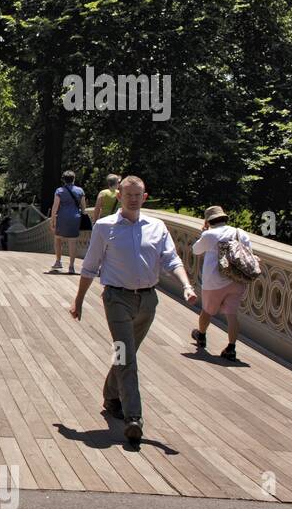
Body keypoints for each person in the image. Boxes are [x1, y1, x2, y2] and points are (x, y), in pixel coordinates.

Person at [70, 176, 198, 445]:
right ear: (118, 195)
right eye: (127, 194)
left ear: (145, 197)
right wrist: (79, 300)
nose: (132, 198)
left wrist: (186, 286)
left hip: (148, 301)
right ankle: (134, 419)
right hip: (116, 298)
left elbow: (171, 259)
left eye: (137, 195)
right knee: (126, 356)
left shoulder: (157, 226)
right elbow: (91, 265)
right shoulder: (105, 227)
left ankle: (111, 395)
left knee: (126, 353)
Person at [191, 206, 253, 361]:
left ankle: (202, 335)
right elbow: (249, 254)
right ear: (224, 218)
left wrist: (204, 232)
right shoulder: (241, 233)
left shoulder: (209, 234)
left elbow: (195, 250)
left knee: (207, 311)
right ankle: (231, 348)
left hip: (214, 282)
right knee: (232, 315)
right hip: (237, 281)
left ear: (208, 221)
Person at [49, 170, 86, 273]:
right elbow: (83, 208)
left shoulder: (59, 191)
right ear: (74, 179)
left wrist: (52, 220)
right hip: (75, 218)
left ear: (63, 180)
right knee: (72, 242)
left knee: (57, 239)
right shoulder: (80, 191)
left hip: (62, 217)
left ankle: (58, 261)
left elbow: (55, 207)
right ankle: (71, 266)